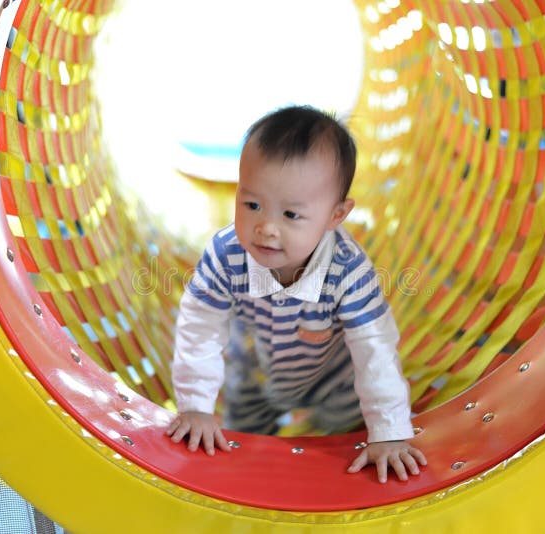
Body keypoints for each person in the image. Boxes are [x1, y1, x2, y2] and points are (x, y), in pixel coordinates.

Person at [165, 105, 427, 483]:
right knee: (238, 442)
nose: (266, 228)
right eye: (252, 205)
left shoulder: (349, 270)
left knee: (345, 443)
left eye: (290, 215)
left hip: (332, 374)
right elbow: (200, 325)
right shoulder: (227, 254)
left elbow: (375, 347)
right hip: (256, 366)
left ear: (336, 215)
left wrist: (388, 433)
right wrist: (195, 407)